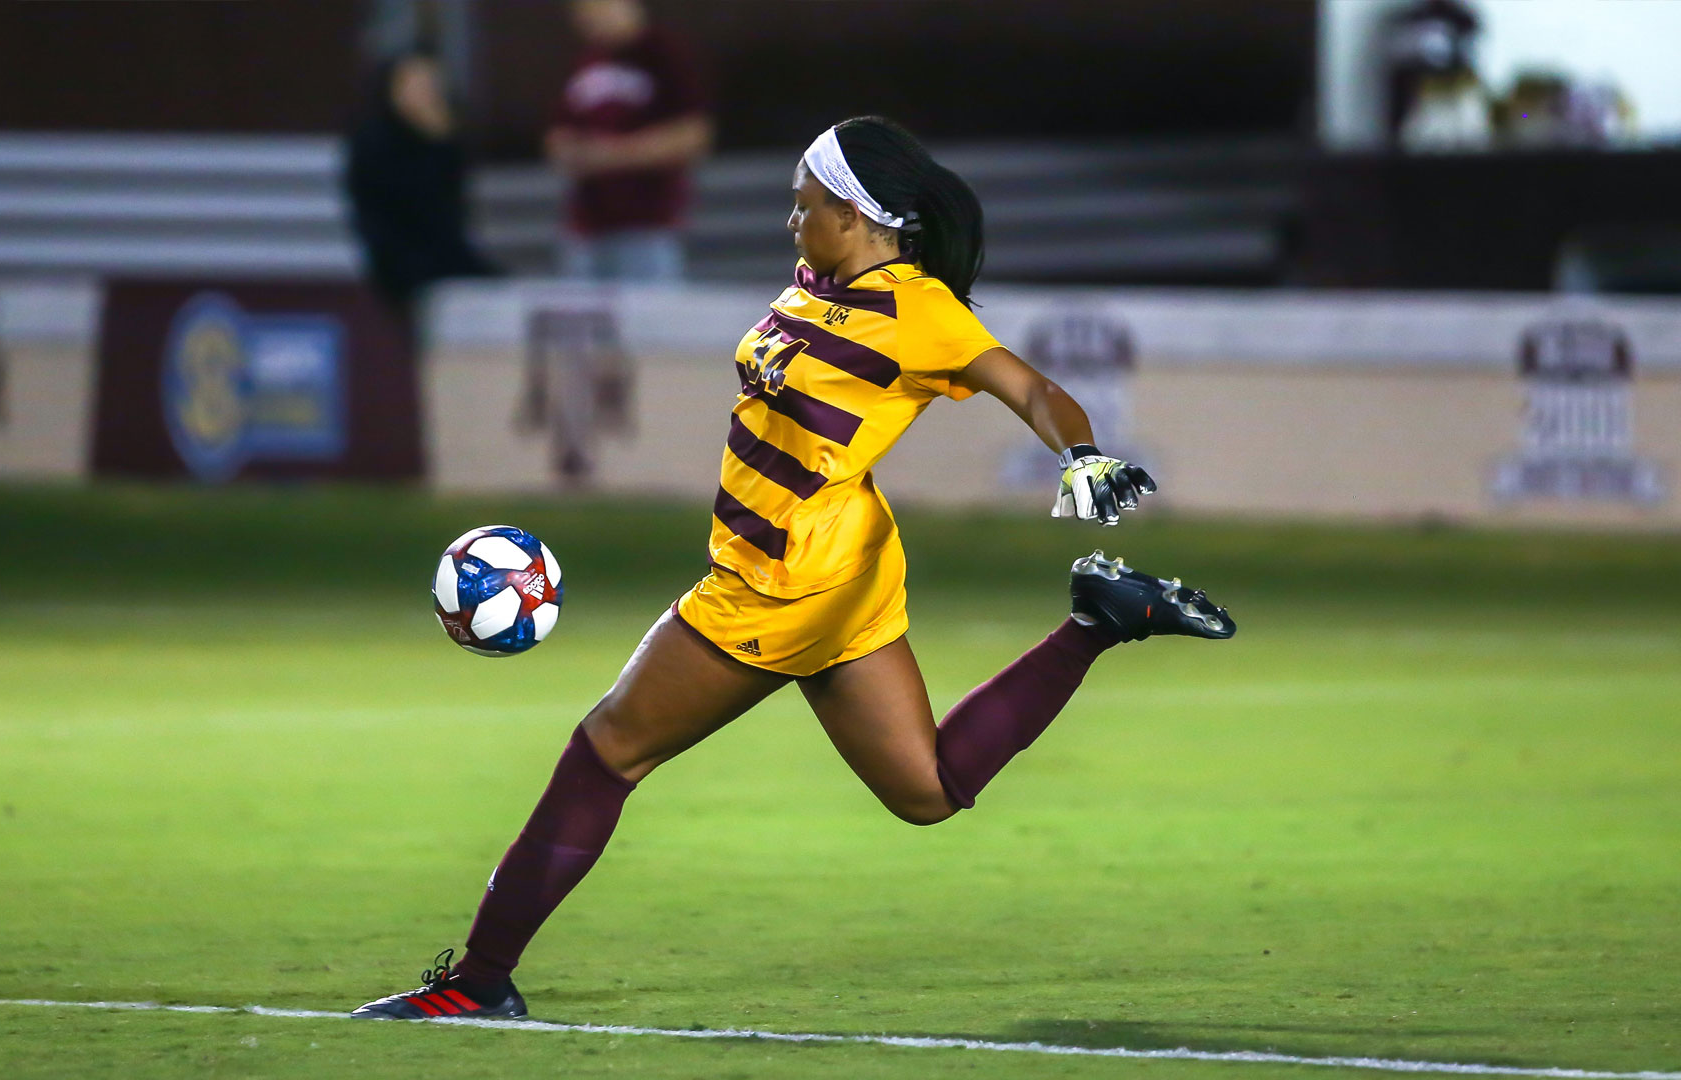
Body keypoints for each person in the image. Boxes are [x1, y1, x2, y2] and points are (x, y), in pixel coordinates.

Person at [352, 116, 1236, 1021]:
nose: (791, 221)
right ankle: (1099, 621)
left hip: (777, 583)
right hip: (840, 565)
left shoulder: (919, 308)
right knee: (926, 792)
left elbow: (1033, 389)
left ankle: (478, 983)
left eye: (804, 204)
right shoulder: (822, 284)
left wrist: (1079, 455)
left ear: (854, 214)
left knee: (604, 754)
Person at [546, 0, 711, 281]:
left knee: (650, 315)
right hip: (587, 224)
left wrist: (612, 155)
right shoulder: (585, 62)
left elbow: (692, 135)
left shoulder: (663, 56)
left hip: (647, 223)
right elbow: (559, 132)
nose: (591, 18)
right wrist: (569, 152)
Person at [344, 51, 496, 312]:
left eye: (430, 83)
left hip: (447, 252)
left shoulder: (444, 136)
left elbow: (449, 208)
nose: (424, 91)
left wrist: (441, 141)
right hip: (399, 256)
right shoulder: (375, 139)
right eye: (414, 83)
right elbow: (397, 206)